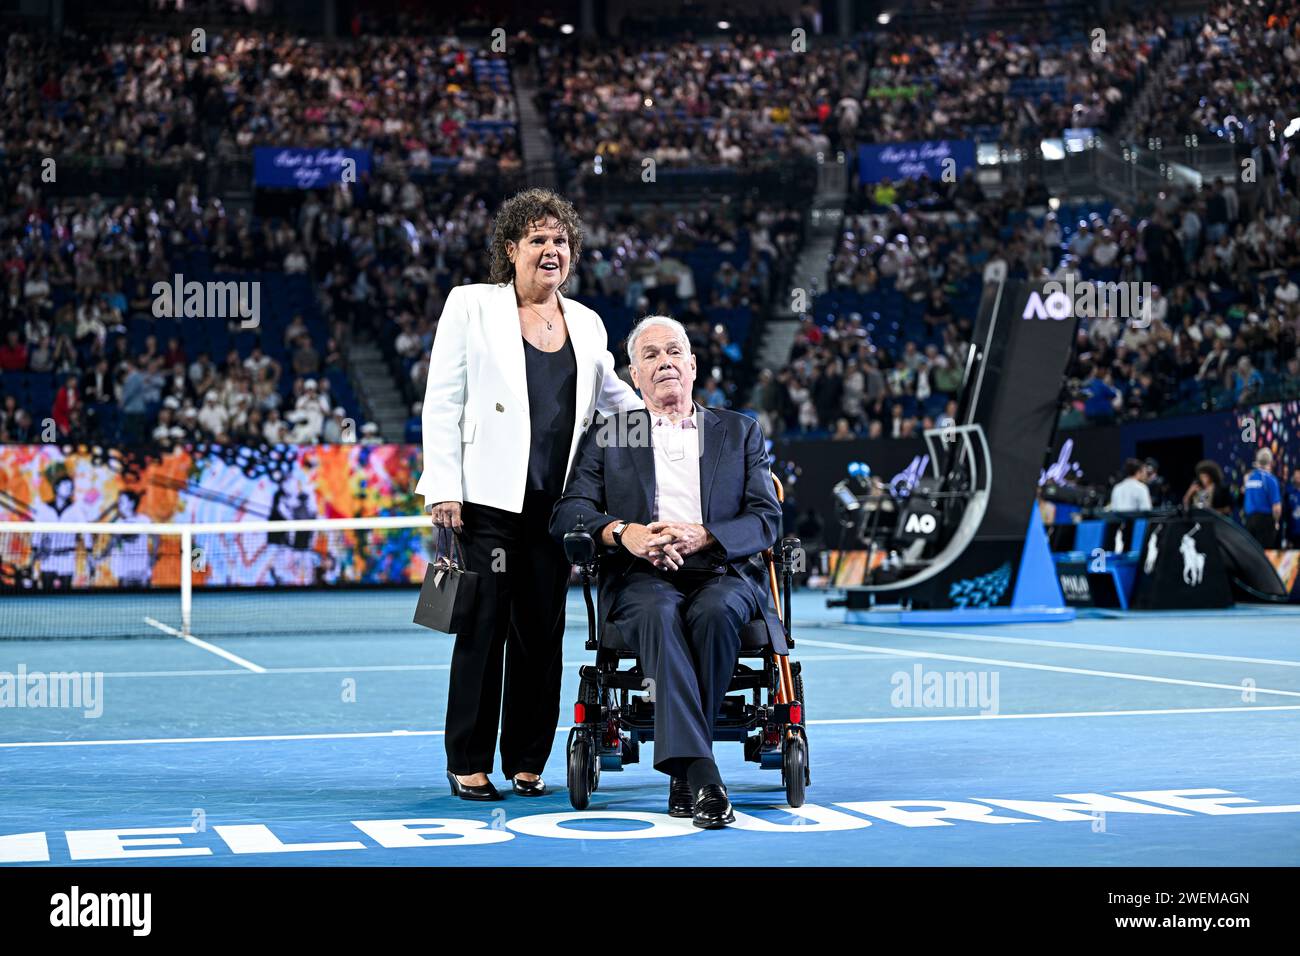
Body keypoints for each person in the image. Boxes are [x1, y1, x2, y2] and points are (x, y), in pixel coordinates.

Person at [417, 188, 643, 801]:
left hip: (556, 508)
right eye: (538, 239)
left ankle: (526, 759)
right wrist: (444, 487)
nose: (551, 250)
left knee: (542, 636)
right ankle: (467, 760)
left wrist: (678, 418)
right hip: (486, 503)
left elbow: (616, 403)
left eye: (560, 240)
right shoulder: (470, 306)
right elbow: (443, 399)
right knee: (483, 628)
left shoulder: (588, 323)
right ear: (511, 249)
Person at [550, 316, 783, 829]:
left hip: (721, 571)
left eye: (674, 351)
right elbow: (569, 512)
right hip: (640, 577)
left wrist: (706, 535)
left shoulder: (739, 430)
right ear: (635, 376)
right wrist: (624, 533)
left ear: (693, 365)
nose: (665, 363)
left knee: (717, 611)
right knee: (658, 611)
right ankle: (702, 772)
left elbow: (766, 518)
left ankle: (687, 771)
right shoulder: (611, 433)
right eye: (650, 356)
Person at [1242, 448, 1282, 548]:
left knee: (1252, 552)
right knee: (1266, 553)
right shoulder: (1270, 479)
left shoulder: (1249, 478)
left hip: (1249, 521)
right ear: (1271, 462)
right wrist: (1276, 522)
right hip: (1265, 521)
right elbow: (1276, 507)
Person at [1284, 468, 1300, 548]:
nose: (1298, 477)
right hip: (1292, 533)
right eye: (1296, 475)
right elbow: (1285, 514)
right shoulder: (1288, 491)